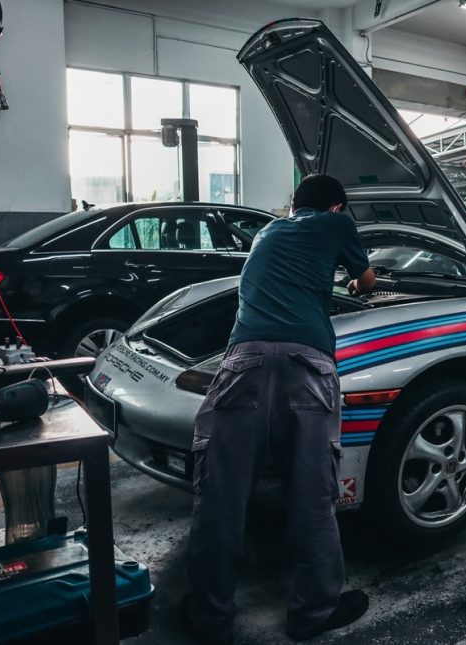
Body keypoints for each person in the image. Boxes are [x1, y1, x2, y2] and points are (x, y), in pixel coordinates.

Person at [182, 174, 376, 644]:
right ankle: (313, 613)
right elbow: (367, 282)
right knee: (313, 495)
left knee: (220, 495)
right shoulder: (338, 224)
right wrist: (352, 278)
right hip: (306, 363)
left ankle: (209, 618)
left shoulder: (268, 232)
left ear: (292, 204)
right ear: (335, 207)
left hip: (242, 360)